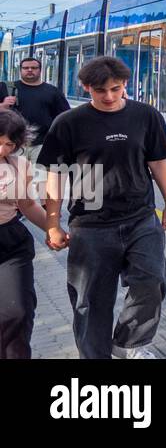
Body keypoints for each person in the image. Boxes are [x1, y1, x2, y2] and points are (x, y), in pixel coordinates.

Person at [36, 55, 166, 360]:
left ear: (125, 83)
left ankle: (127, 346)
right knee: (90, 301)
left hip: (140, 216)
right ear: (86, 87)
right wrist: (52, 223)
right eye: (101, 91)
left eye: (115, 88)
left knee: (152, 280)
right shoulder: (69, 123)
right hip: (91, 224)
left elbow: (158, 161)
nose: (110, 96)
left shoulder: (146, 116)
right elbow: (54, 175)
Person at [0, 111, 47, 359]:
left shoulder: (21, 166)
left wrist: (53, 230)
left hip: (10, 243)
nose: (2, 149)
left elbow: (28, 205)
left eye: (9, 144)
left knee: (17, 311)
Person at [1, 57, 71, 147]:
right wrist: (3, 105)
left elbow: (64, 116)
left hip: (43, 143)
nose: (30, 70)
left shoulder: (53, 91)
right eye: (26, 68)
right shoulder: (5, 88)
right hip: (12, 143)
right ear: (20, 70)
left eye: (34, 68)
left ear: (40, 70)